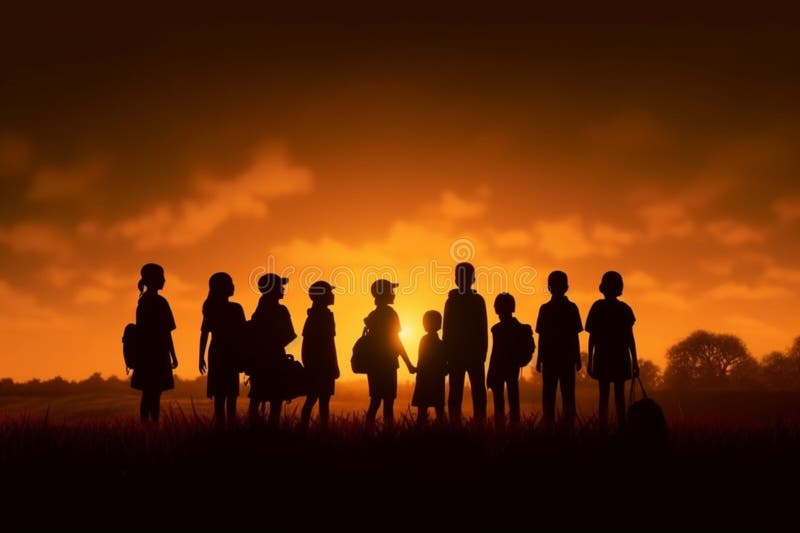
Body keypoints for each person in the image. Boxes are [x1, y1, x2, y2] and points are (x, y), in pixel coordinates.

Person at [585, 271, 639, 430]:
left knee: (605, 396)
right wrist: (634, 360)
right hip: (618, 357)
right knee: (619, 397)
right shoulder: (624, 309)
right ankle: (620, 427)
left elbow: (592, 338)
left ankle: (604, 427)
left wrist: (590, 360)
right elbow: (630, 338)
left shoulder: (597, 307)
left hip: (605, 357)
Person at [364, 279, 416, 428]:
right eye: (391, 291)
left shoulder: (373, 315)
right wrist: (409, 364)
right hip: (387, 363)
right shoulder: (390, 314)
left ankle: (367, 433)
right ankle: (389, 434)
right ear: (385, 294)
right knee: (388, 403)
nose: (394, 294)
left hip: (374, 365)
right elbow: (396, 342)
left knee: (375, 401)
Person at [132, 263, 178, 423]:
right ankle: (153, 427)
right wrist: (173, 355)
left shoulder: (142, 302)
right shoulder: (160, 302)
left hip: (145, 355)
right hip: (158, 354)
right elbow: (166, 332)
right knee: (155, 394)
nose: (164, 279)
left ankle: (145, 427)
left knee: (147, 393)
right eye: (162, 276)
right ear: (155, 279)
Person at [535, 271, 583, 428]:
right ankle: (555, 427)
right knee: (554, 396)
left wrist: (577, 358)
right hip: (556, 359)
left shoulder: (552, 309)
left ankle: (562, 427)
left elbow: (574, 336)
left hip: (560, 359)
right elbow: (542, 337)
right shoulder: (556, 308)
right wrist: (539, 360)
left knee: (561, 396)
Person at [249, 273, 296, 427]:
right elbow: (289, 336)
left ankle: (253, 429)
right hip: (276, 359)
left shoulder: (258, 312)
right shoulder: (281, 310)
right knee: (276, 399)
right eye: (280, 286)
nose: (283, 289)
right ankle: (272, 431)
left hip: (258, 361)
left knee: (256, 397)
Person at [443, 262, 488, 424]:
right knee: (475, 392)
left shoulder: (452, 302)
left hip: (461, 354)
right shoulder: (476, 301)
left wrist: (446, 355)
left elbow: (446, 331)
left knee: (460, 392)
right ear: (473, 279)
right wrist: (483, 352)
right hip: (470, 354)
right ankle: (477, 423)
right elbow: (483, 329)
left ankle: (462, 423)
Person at [199, 272, 245, 428]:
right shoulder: (235, 308)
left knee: (222, 396)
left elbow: (205, 334)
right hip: (229, 353)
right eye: (230, 283)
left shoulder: (211, 307)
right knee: (229, 395)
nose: (233, 286)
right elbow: (243, 333)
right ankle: (229, 428)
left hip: (218, 352)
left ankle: (222, 428)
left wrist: (201, 357)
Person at [487, 293, 532, 428]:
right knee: (512, 398)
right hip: (508, 368)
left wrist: (490, 373)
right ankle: (512, 425)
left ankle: (504, 426)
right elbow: (495, 353)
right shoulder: (516, 328)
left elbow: (495, 353)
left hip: (503, 368)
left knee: (504, 400)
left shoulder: (498, 329)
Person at [300, 280, 339, 429]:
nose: (332, 295)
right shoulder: (322, 317)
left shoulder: (317, 315)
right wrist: (330, 365)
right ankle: (320, 430)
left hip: (320, 366)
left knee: (319, 400)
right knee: (316, 400)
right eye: (330, 292)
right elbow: (327, 344)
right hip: (321, 367)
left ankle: (319, 430)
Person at [411, 310, 447, 424]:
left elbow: (421, 360)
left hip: (424, 378)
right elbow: (445, 362)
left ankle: (421, 431)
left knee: (423, 408)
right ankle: (442, 429)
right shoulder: (442, 344)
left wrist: (417, 370)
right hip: (437, 378)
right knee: (439, 408)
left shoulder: (424, 340)